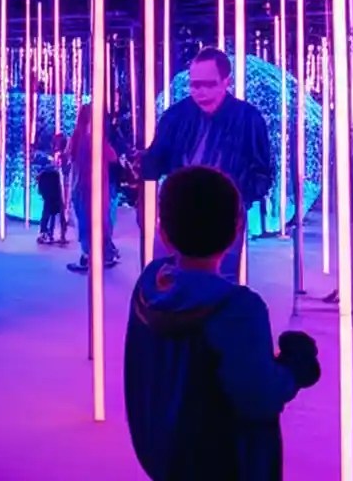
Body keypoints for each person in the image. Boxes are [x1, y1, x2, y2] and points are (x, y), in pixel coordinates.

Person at [124, 166, 321, 480]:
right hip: (225, 462)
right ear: (236, 230)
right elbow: (258, 395)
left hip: (164, 454)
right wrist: (294, 368)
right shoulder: (237, 310)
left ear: (163, 230)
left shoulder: (149, 285)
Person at [140, 48, 272, 282]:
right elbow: (155, 162)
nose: (201, 92)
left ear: (226, 81)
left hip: (225, 215)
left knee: (220, 286)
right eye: (194, 85)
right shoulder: (175, 117)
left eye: (209, 84)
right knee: (165, 282)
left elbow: (262, 171)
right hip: (178, 212)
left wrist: (239, 198)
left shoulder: (249, 119)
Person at [66, 104, 119, 273]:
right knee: (99, 219)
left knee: (85, 220)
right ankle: (103, 254)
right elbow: (112, 157)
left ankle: (89, 256)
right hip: (97, 185)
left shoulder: (78, 136)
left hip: (81, 185)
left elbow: (69, 156)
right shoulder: (97, 137)